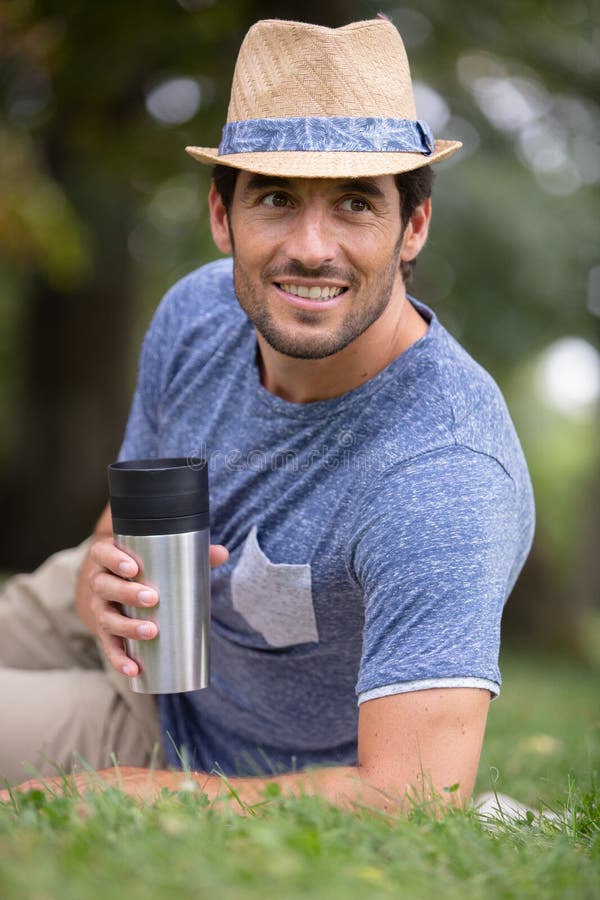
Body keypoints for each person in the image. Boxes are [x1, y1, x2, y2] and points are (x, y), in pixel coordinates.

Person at [0, 17, 534, 811]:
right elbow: (123, 525)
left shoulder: (444, 474)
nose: (311, 248)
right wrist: (97, 579)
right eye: (276, 198)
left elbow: (411, 797)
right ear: (223, 217)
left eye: (355, 203)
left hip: (205, 749)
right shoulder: (196, 314)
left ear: (412, 227)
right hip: (134, 629)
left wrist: (140, 793)